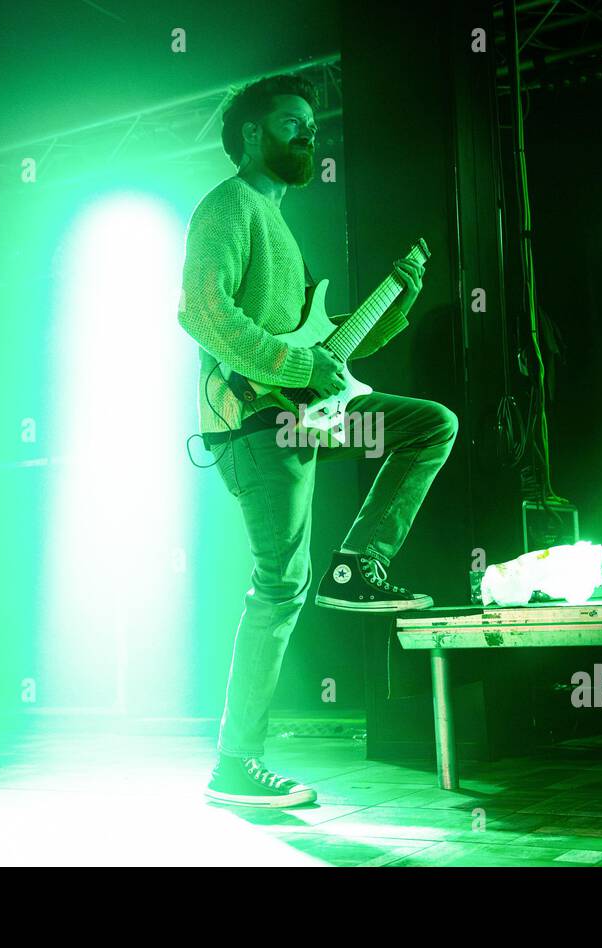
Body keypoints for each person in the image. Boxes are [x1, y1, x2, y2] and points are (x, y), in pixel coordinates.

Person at [178, 73, 458, 808]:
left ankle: (358, 563)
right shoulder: (227, 205)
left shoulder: (280, 223)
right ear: (249, 136)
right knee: (277, 588)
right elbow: (203, 312)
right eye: (292, 122)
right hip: (256, 422)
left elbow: (328, 351)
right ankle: (234, 766)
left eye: (312, 123)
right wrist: (304, 364)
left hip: (304, 412)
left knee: (430, 423)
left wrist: (398, 298)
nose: (309, 132)